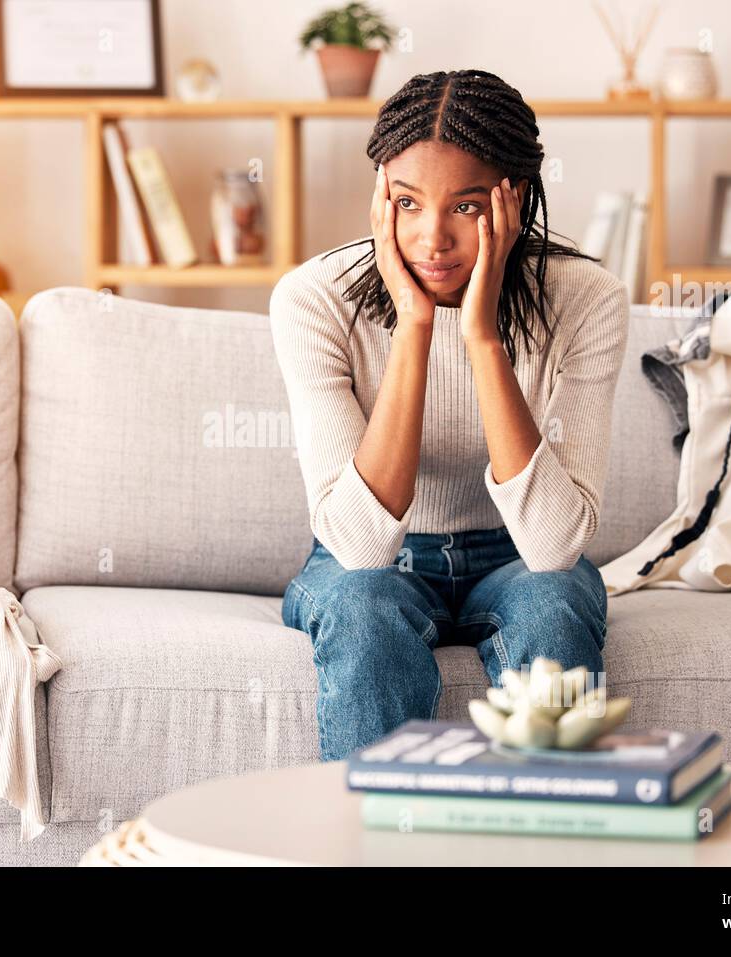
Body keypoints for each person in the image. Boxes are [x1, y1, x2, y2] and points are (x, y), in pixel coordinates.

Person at [269, 69, 630, 762]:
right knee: (363, 606)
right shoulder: (313, 299)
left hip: (516, 555)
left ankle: (558, 836)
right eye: (407, 202)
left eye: (465, 207)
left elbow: (554, 548)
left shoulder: (588, 299)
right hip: (374, 560)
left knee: (554, 605)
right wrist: (413, 325)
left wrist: (483, 336)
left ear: (514, 197)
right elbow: (359, 547)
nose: (431, 238)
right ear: (380, 198)